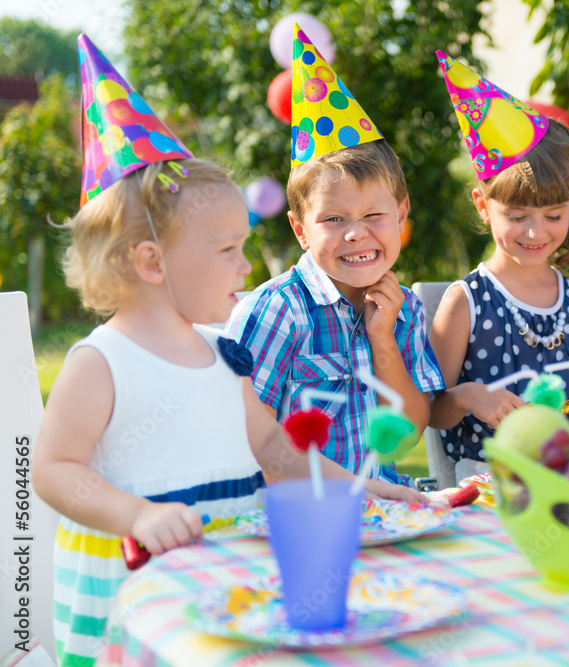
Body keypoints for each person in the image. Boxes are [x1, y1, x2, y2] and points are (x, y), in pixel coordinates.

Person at [32, 35, 416, 667]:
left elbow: (275, 449)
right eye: (227, 251)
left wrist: (360, 489)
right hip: (130, 598)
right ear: (152, 261)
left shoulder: (223, 351)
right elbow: (53, 471)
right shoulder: (100, 364)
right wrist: (135, 515)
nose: (245, 264)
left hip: (223, 588)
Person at [226, 26, 444, 486]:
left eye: (374, 215)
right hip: (297, 513)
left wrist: (382, 338)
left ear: (402, 214)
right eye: (334, 219)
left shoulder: (403, 310)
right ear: (300, 230)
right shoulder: (275, 313)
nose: (357, 234)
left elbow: (405, 438)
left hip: (384, 508)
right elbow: (246, 444)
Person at [428, 52, 569, 481]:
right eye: (517, 216)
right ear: (483, 205)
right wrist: (465, 396)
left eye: (553, 216)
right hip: (489, 487)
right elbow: (431, 411)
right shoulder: (466, 303)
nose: (535, 233)